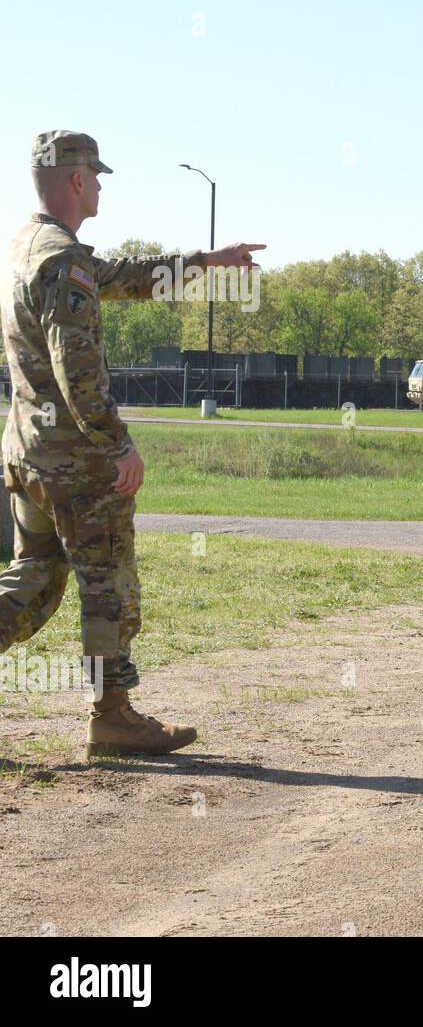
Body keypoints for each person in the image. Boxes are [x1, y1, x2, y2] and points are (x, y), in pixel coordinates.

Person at [0, 130, 265, 757]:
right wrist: (118, 444)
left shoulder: (27, 248)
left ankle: (113, 715)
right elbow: (78, 368)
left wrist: (207, 262)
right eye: (95, 175)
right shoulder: (61, 260)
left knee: (33, 581)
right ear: (75, 180)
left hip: (28, 454)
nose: (99, 186)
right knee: (107, 586)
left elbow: (124, 278)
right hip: (77, 463)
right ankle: (113, 718)